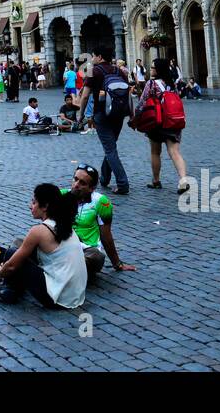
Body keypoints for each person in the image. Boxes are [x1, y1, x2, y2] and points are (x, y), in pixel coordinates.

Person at [0, 184, 86, 309]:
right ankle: (9, 289)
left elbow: (11, 266)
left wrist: (1, 272)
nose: (30, 206)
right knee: (13, 253)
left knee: (11, 253)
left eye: (34, 202)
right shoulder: (64, 224)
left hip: (57, 299)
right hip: (75, 296)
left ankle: (8, 288)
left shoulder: (39, 231)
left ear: (45, 206)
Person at [76, 45, 130, 195]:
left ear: (99, 57)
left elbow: (85, 96)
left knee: (110, 149)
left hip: (102, 114)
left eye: (93, 56)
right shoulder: (118, 70)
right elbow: (128, 90)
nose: (92, 59)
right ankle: (105, 178)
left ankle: (123, 183)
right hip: (118, 114)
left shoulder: (94, 71)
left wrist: (81, 115)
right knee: (111, 146)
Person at [67, 165, 136, 279]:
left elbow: (106, 236)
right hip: (63, 248)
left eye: (82, 183)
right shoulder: (61, 195)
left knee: (97, 257)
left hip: (87, 251)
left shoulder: (101, 202)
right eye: (75, 179)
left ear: (92, 188)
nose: (76, 185)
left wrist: (117, 264)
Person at [139, 58, 191, 194]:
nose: (150, 70)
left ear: (158, 69)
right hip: (173, 120)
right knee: (175, 152)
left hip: (157, 122)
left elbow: (142, 102)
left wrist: (136, 118)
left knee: (155, 152)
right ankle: (183, 179)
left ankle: (156, 181)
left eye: (152, 67)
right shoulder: (171, 84)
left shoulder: (151, 84)